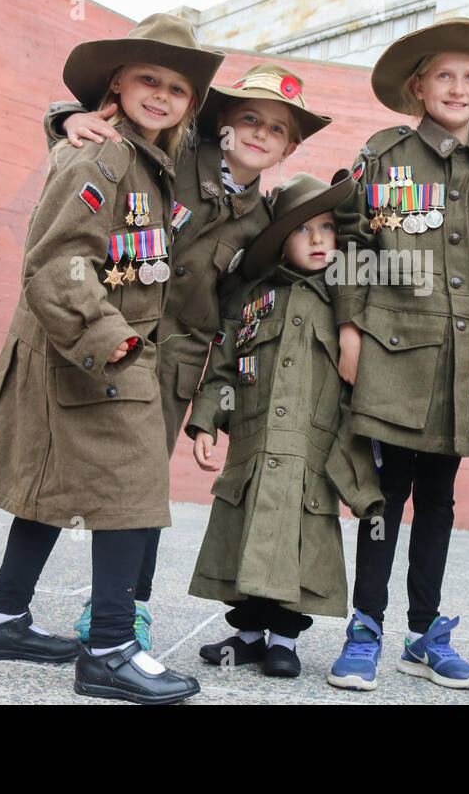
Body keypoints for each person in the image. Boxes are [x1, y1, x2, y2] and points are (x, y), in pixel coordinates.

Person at [0, 13, 224, 704]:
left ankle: (2, 619)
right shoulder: (104, 157)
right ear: (118, 83)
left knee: (52, 488)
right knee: (132, 489)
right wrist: (114, 342)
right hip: (95, 346)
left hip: (88, 345)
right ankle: (109, 648)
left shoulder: (148, 158)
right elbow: (55, 263)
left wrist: (62, 118)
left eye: (178, 87)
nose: (163, 95)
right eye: (148, 79)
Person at [45, 63, 331, 649]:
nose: (259, 133)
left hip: (171, 363)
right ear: (219, 122)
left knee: (142, 489)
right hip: (106, 334)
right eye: (248, 118)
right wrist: (63, 119)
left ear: (290, 146)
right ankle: (11, 608)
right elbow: (108, 138)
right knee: (61, 468)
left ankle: (127, 610)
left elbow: (238, 314)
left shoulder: (263, 221)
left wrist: (215, 400)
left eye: (276, 129)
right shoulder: (174, 157)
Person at [325, 18, 469, 691]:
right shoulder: (382, 156)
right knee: (384, 497)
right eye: (445, 75)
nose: (459, 88)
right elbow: (350, 245)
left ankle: (423, 632)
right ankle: (365, 627)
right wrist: (350, 331)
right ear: (419, 86)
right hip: (390, 359)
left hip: (462, 367)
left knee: (438, 502)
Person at [185, 172, 383, 678]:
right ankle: (248, 634)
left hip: (314, 450)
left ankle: (286, 641)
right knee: (243, 537)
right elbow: (225, 366)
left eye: (327, 228)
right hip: (253, 445)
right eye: (302, 230)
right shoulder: (252, 300)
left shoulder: (345, 305)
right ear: (280, 241)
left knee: (300, 542)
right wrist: (206, 420)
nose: (318, 240)